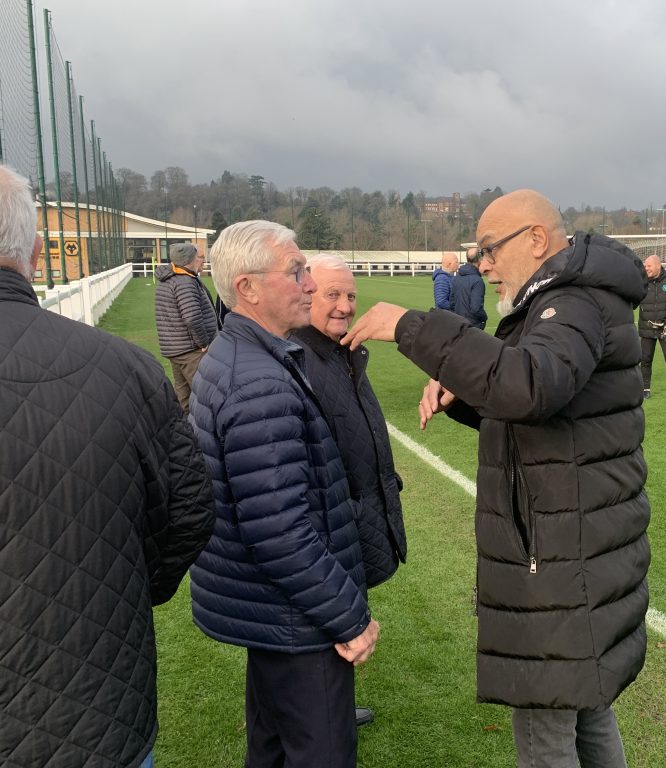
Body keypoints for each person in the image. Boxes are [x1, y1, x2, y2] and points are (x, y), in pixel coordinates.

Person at [341, 189, 650, 768]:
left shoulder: (573, 304)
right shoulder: (561, 301)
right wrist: (462, 393)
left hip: (560, 558)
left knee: (547, 720)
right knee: (586, 705)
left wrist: (413, 327)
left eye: (489, 248)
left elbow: (528, 386)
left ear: (536, 239)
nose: (483, 264)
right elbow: (537, 403)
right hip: (572, 545)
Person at [0, 163, 215, 767]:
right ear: (38, 254)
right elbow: (190, 511)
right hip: (99, 711)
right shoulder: (124, 367)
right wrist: (121, 582)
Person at [189, 221, 379, 768]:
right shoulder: (259, 382)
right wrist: (349, 617)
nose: (312, 286)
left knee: (271, 746)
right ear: (247, 288)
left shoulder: (245, 355)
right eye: (296, 273)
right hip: (296, 619)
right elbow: (278, 530)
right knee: (320, 751)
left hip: (274, 613)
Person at [291, 254, 408, 727]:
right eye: (332, 294)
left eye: (351, 295)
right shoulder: (299, 361)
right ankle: (321, 720)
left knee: (339, 620)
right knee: (323, 624)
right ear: (306, 294)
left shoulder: (343, 352)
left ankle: (331, 708)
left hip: (353, 520)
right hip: (329, 528)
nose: (344, 306)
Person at [155, 241, 220, 414]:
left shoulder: (168, 280)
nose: (202, 262)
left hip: (175, 350)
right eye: (198, 258)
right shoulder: (185, 282)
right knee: (204, 394)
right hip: (191, 351)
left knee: (184, 396)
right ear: (188, 261)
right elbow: (192, 317)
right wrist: (203, 343)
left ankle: (188, 431)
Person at [639, 254, 666, 400]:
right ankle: (645, 390)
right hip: (646, 327)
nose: (646, 268)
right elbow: (632, 300)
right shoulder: (641, 282)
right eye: (645, 265)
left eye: (649, 266)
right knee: (645, 359)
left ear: (658, 265)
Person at [450, 246, 488, 329]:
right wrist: (484, 317)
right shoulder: (477, 281)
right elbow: (476, 309)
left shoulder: (457, 278)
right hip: (472, 327)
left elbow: (452, 303)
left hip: (458, 325)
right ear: (479, 260)